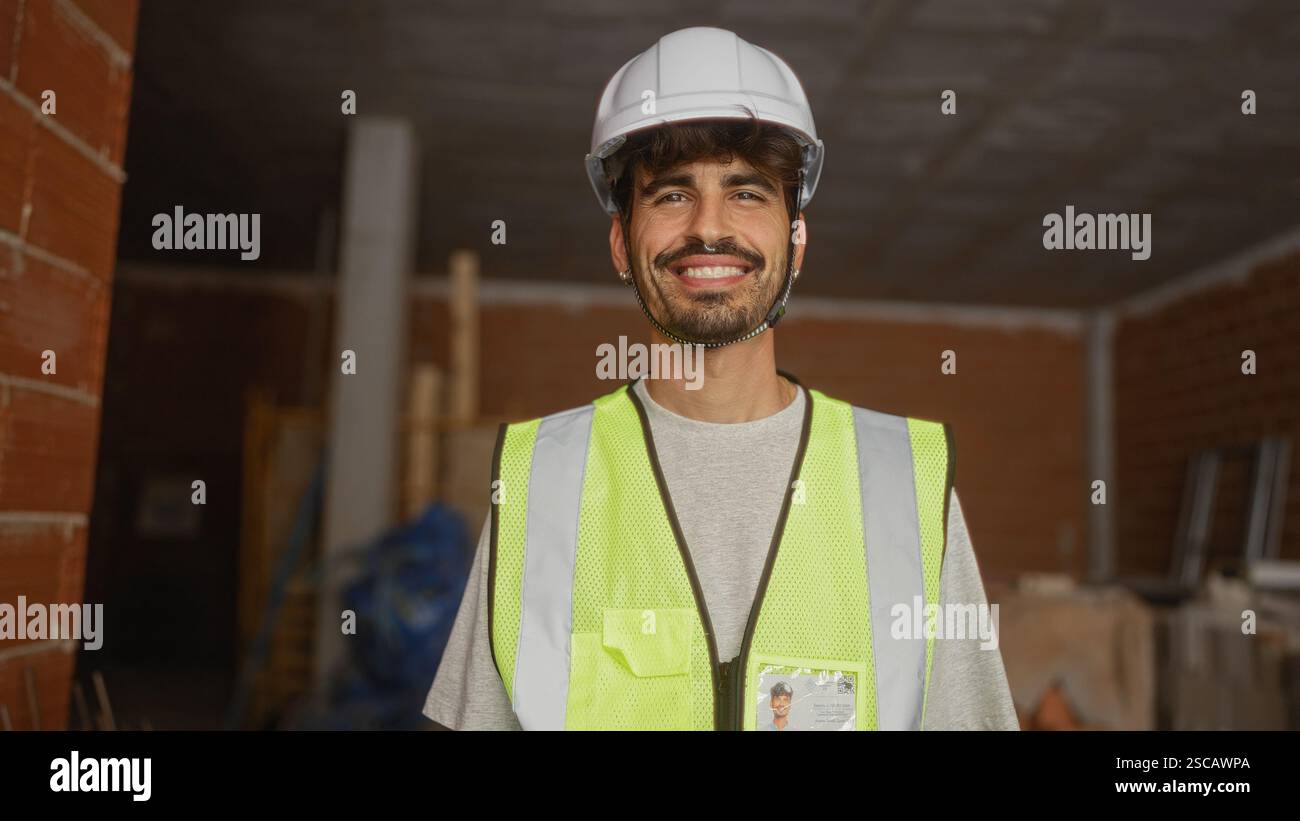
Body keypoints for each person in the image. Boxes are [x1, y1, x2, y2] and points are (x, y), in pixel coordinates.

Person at [424, 26, 1018, 731]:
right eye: (673, 195)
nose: (709, 228)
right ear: (621, 243)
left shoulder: (906, 484)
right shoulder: (537, 483)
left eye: (747, 193)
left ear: (796, 242)